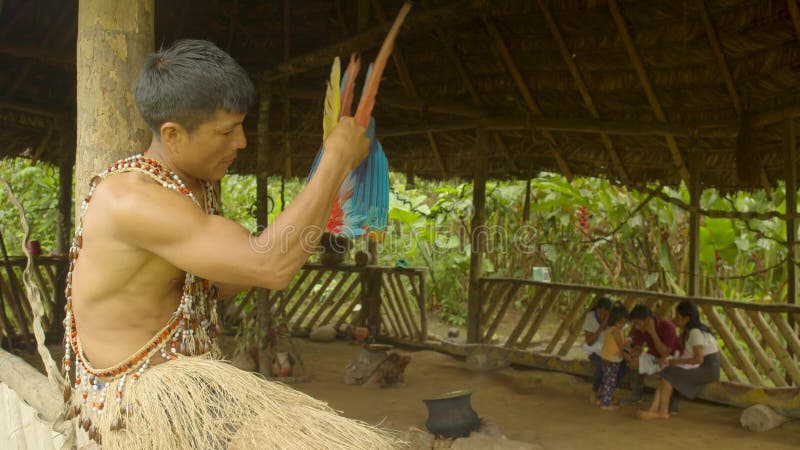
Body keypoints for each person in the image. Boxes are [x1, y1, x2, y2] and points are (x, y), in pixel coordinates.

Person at [62, 39, 401, 448]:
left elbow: (217, 283)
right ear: (172, 134)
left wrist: (317, 216)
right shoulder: (134, 199)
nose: (240, 141)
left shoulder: (191, 187)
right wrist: (334, 161)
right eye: (225, 130)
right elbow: (268, 266)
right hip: (134, 408)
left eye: (241, 125)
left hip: (184, 388)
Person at [637, 301, 720, 420]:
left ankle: (661, 412)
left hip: (707, 370)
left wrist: (676, 362)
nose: (675, 319)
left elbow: (699, 359)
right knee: (667, 372)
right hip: (705, 368)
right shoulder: (691, 331)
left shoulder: (695, 333)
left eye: (678, 317)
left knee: (668, 373)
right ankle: (654, 410)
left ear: (687, 319)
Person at [622, 304, 682, 411]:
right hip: (654, 357)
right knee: (635, 363)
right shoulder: (639, 329)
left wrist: (653, 332)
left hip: (672, 357)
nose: (636, 326)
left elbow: (665, 354)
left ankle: (673, 402)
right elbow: (639, 347)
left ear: (648, 320)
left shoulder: (668, 327)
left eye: (638, 323)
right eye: (634, 323)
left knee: (667, 366)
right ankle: (636, 396)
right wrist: (633, 354)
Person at [597, 305, 629, 410]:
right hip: (612, 359)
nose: (622, 325)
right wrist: (628, 343)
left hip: (606, 357)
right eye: (620, 323)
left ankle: (604, 398)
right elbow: (621, 346)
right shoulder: (616, 331)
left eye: (624, 323)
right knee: (610, 381)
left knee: (606, 379)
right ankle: (606, 404)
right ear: (614, 320)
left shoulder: (609, 329)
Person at [583, 296, 612, 403]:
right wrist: (601, 327)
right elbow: (589, 342)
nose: (603, 315)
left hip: (608, 350)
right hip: (593, 350)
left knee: (620, 365)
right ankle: (594, 393)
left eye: (605, 314)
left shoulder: (613, 318)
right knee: (602, 365)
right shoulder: (590, 317)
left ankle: (605, 392)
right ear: (596, 309)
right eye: (600, 313)